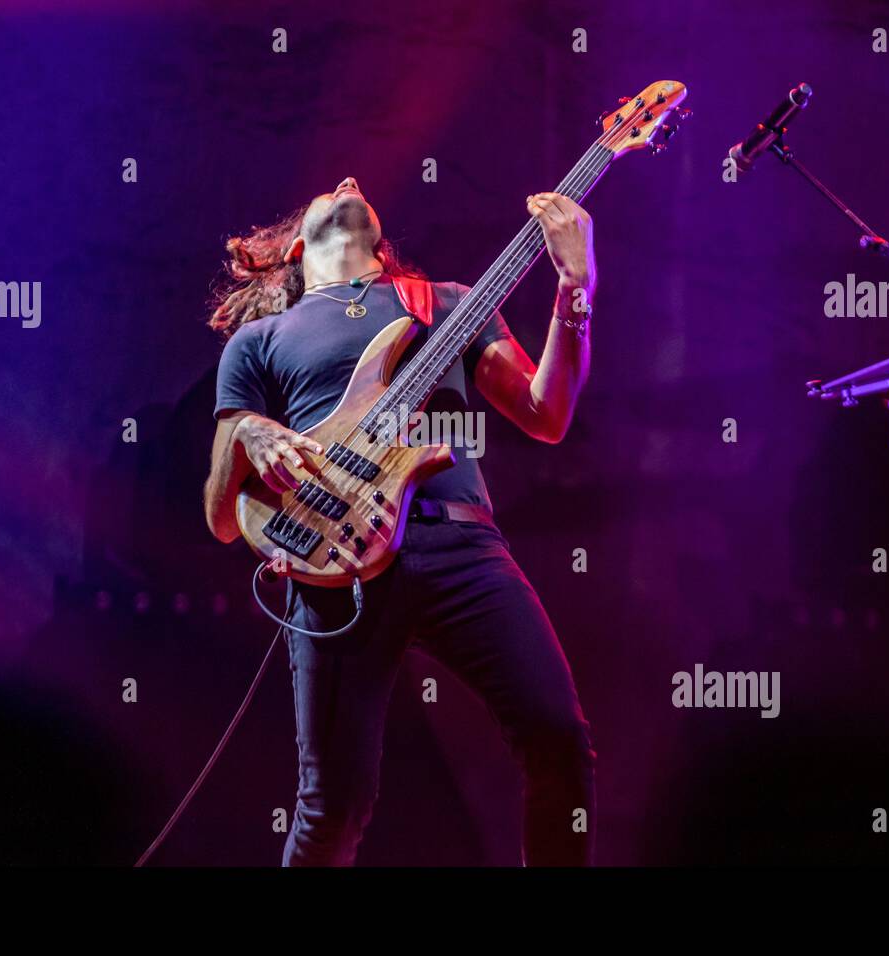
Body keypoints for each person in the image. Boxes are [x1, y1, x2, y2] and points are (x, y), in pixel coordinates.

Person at [204, 176, 597, 865]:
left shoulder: (445, 303)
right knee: (335, 804)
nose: (350, 180)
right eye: (331, 187)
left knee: (558, 737)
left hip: (459, 543)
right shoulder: (261, 340)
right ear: (297, 246)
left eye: (356, 184)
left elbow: (549, 416)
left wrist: (573, 290)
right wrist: (248, 436)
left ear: (383, 251)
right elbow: (223, 520)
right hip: (334, 559)